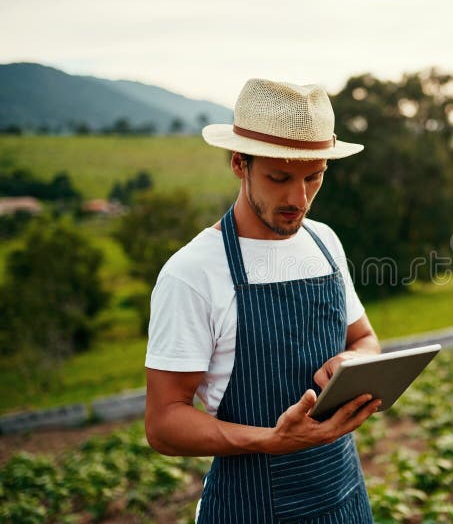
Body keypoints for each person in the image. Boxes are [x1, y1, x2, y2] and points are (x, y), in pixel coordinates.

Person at [144, 78, 381, 523]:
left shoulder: (325, 243)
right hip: (249, 509)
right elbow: (164, 424)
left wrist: (353, 361)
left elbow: (366, 338)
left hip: (345, 499)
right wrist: (270, 440)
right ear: (239, 162)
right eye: (279, 177)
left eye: (314, 178)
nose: (299, 199)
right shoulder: (192, 273)